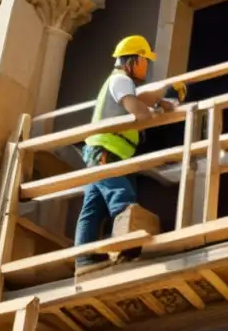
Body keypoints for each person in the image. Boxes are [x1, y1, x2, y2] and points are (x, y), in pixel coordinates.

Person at [74, 35, 176, 277]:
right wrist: (156, 111)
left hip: (104, 151)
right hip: (107, 151)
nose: (147, 66)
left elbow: (144, 99)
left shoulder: (120, 82)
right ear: (134, 59)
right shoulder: (121, 80)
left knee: (93, 206)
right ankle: (127, 249)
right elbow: (140, 112)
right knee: (122, 196)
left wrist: (161, 100)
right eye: (145, 60)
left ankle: (84, 259)